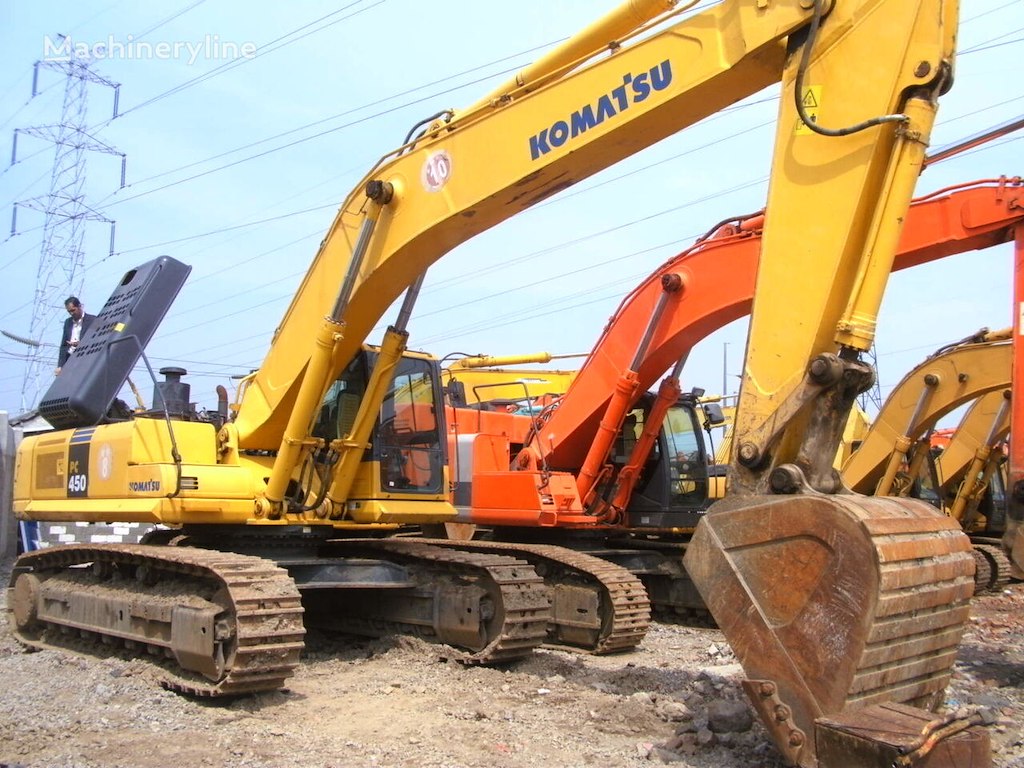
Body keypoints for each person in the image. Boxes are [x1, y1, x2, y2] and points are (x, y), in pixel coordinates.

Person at [55, 295, 95, 375]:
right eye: (69, 311)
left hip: (85, 359)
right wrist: (60, 366)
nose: (71, 313)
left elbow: (97, 339)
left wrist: (80, 344)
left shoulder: (92, 320)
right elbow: (63, 346)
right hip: (70, 359)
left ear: (80, 306)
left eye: (73, 310)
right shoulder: (67, 322)